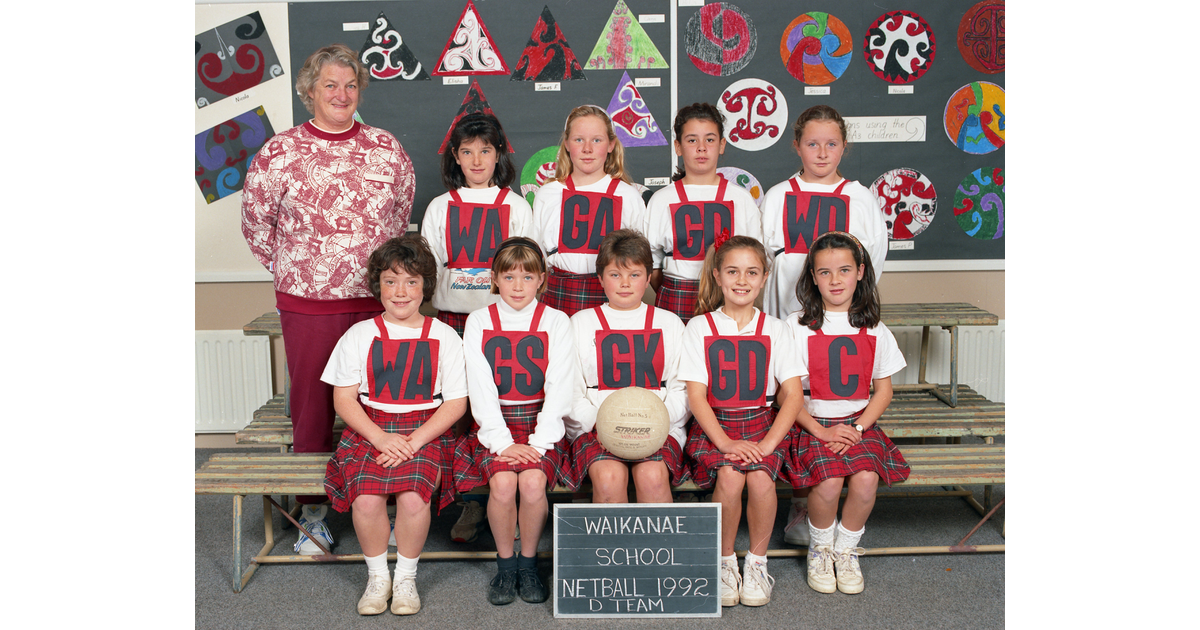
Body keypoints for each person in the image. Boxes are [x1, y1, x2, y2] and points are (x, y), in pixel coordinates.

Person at [241, 43, 415, 553]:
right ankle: (313, 512)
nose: (342, 94)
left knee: (383, 402)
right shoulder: (280, 151)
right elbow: (256, 225)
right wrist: (302, 272)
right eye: (330, 85)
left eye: (351, 84)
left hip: (378, 301)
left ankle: (382, 499)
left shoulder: (385, 147)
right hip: (307, 301)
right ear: (309, 92)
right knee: (313, 407)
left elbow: (400, 212)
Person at [758, 104, 887, 544]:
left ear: (844, 147)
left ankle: (829, 500)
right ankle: (801, 499)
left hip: (837, 322)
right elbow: (764, 263)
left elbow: (873, 263)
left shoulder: (860, 198)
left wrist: (847, 311)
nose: (821, 152)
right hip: (791, 322)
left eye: (831, 143)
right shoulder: (777, 196)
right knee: (796, 402)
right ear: (797, 145)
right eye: (812, 143)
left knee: (830, 401)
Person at [321, 235, 467, 616]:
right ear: (378, 286)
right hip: (371, 426)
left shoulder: (444, 336)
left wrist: (414, 441)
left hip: (426, 426)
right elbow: (343, 399)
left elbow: (455, 402)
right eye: (390, 281)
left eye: (412, 281)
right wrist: (381, 437)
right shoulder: (359, 335)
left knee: (413, 497)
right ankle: (377, 576)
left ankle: (405, 576)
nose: (400, 292)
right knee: (367, 499)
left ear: (426, 287)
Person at [419, 111, 534, 543]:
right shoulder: (440, 207)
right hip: (453, 320)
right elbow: (429, 267)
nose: (477, 160)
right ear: (456, 157)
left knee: (501, 406)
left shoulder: (516, 206)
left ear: (498, 154)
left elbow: (529, 267)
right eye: (467, 152)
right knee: (460, 411)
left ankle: (511, 496)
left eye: (485, 150)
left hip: (504, 323)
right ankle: (470, 502)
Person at [679, 235, 805, 608]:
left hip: (762, 423)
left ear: (765, 277)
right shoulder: (699, 328)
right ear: (717, 275)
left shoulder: (777, 329)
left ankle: (756, 563)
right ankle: (724, 563)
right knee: (731, 477)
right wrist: (725, 444)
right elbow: (697, 396)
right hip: (716, 426)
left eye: (752, 272)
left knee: (762, 478)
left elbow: (794, 396)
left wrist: (766, 445)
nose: (742, 280)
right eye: (732, 271)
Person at [782, 231, 910, 595]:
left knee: (867, 479)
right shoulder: (795, 327)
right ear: (812, 277)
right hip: (810, 423)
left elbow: (883, 391)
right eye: (824, 272)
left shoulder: (875, 329)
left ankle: (845, 549)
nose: (835, 280)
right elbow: (785, 396)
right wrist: (821, 431)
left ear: (860, 272)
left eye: (843, 270)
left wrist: (856, 427)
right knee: (830, 480)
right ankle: (820, 548)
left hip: (858, 423)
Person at [453, 237, 576, 606]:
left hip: (541, 423)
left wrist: (538, 443)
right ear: (494, 279)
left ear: (542, 278)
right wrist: (503, 442)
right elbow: (480, 387)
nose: (518, 286)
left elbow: (559, 387)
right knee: (504, 485)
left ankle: (528, 563)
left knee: (535, 483)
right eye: (509, 277)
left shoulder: (556, 321)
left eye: (527, 276)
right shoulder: (479, 321)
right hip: (495, 425)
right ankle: (505, 565)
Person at [563, 229, 690, 502]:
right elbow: (570, 390)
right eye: (615, 274)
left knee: (652, 477)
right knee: (609, 478)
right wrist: (604, 424)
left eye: (634, 275)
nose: (625, 283)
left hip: (659, 426)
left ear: (648, 279)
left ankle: (661, 546)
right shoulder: (580, 323)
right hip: (596, 428)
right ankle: (610, 546)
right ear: (600, 278)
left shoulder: (670, 323)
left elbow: (683, 388)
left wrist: (655, 424)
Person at [646, 103, 762, 323]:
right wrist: (676, 287)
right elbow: (652, 262)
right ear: (678, 147)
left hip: (727, 296)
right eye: (692, 140)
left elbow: (754, 255)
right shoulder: (662, 199)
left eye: (709, 139)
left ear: (722, 145)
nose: (701, 147)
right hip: (676, 296)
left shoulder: (741, 199)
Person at [531, 105, 648, 316]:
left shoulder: (628, 195)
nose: (587, 149)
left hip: (609, 294)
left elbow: (637, 259)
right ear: (566, 144)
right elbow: (536, 254)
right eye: (578, 140)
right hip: (558, 293)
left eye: (597, 140)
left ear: (611, 144)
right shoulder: (548, 194)